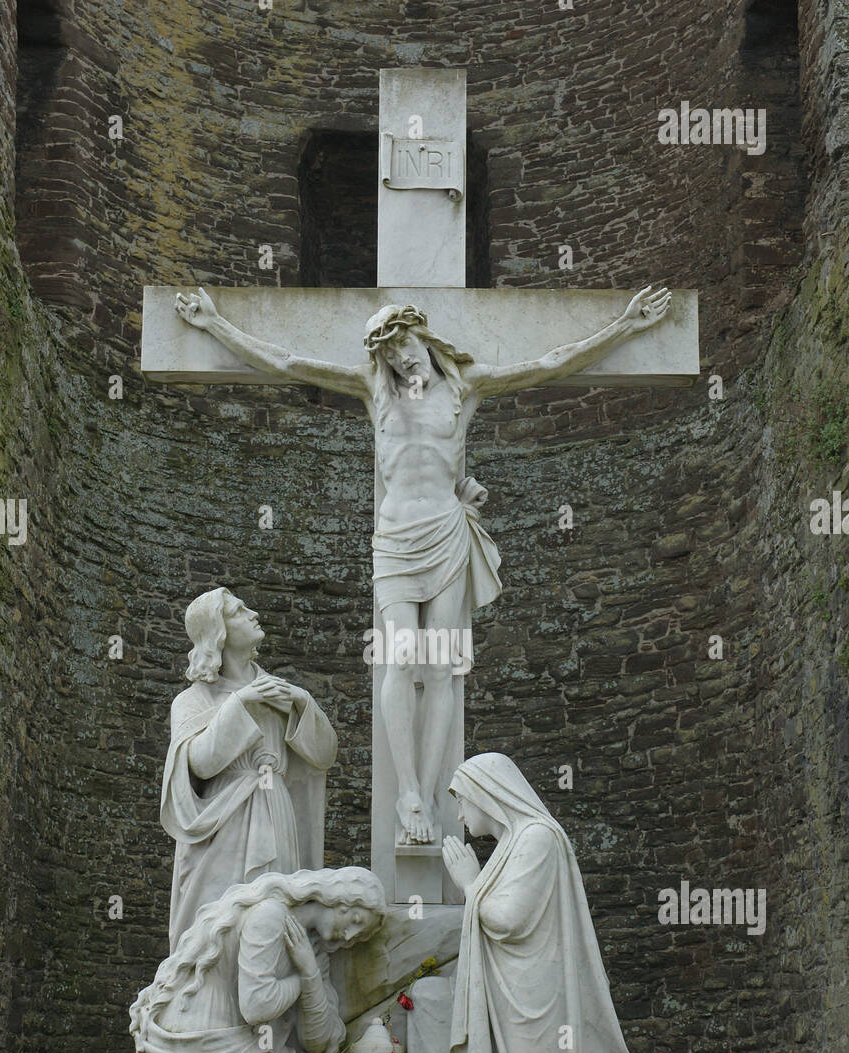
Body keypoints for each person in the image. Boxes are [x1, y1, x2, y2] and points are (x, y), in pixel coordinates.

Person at [174, 285, 671, 845]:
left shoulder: (466, 385)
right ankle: (407, 790)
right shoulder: (372, 389)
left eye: (405, 342)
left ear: (423, 336)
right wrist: (216, 325)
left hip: (445, 532)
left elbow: (549, 363)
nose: (399, 357)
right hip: (394, 539)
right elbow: (288, 362)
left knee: (441, 670)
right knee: (399, 660)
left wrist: (625, 328)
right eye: (387, 351)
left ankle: (431, 793)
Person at [406, 752, 707, 1053]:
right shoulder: (510, 844)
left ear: (486, 794)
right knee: (427, 997)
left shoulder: (538, 838)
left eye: (461, 801)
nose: (459, 816)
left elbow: (508, 920)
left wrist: (469, 883)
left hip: (536, 1001)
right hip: (508, 993)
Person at [118, 868, 385, 1053]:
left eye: (357, 936)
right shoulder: (270, 915)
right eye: (355, 922)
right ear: (340, 900)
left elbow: (316, 1042)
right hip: (201, 1047)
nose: (348, 936)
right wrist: (303, 977)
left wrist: (310, 974)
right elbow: (256, 1007)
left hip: (242, 1046)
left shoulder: (311, 949)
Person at [161, 587, 337, 947]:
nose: (254, 614)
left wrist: (302, 704)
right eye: (240, 611)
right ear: (218, 632)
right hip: (225, 823)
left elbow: (324, 755)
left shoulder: (280, 693)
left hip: (276, 814)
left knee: (272, 923)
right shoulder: (193, 700)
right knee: (216, 928)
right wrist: (241, 703)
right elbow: (201, 763)